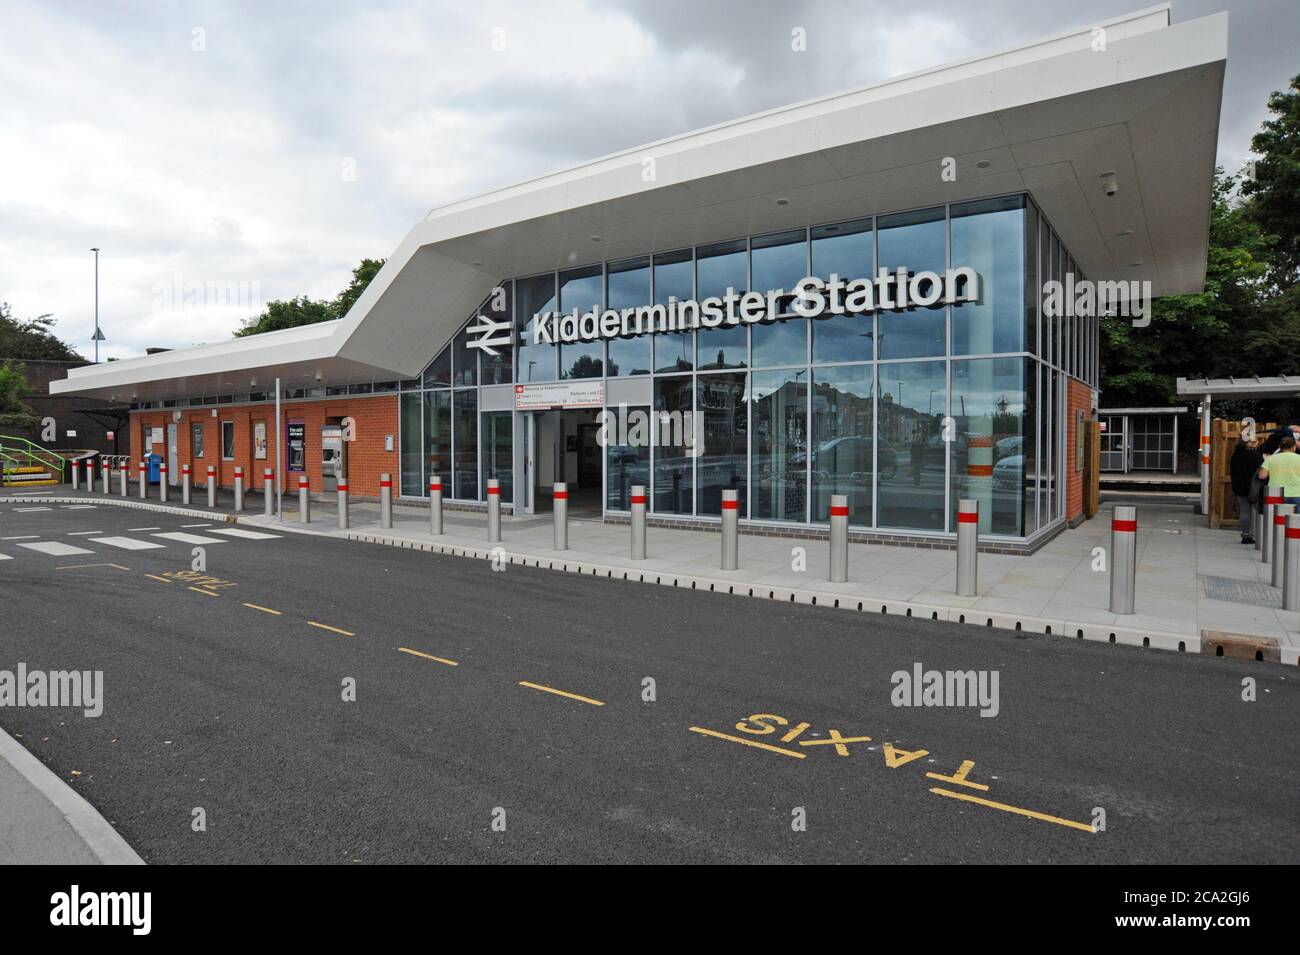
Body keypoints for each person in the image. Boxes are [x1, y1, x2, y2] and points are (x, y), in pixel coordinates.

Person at [1230, 435, 1264, 543]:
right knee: (1257, 510)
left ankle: (1245, 535)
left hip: (1239, 486)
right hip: (1254, 487)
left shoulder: (1236, 454)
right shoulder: (1255, 455)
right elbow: (1261, 471)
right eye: (1255, 441)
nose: (1257, 442)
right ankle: (1258, 534)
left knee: (1244, 511)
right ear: (1249, 443)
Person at [1259, 435, 1300, 510]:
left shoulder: (1271, 458)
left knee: (1275, 520)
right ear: (1294, 447)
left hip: (1276, 494)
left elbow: (1262, 475)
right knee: (1296, 520)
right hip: (1297, 494)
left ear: (1280, 447)